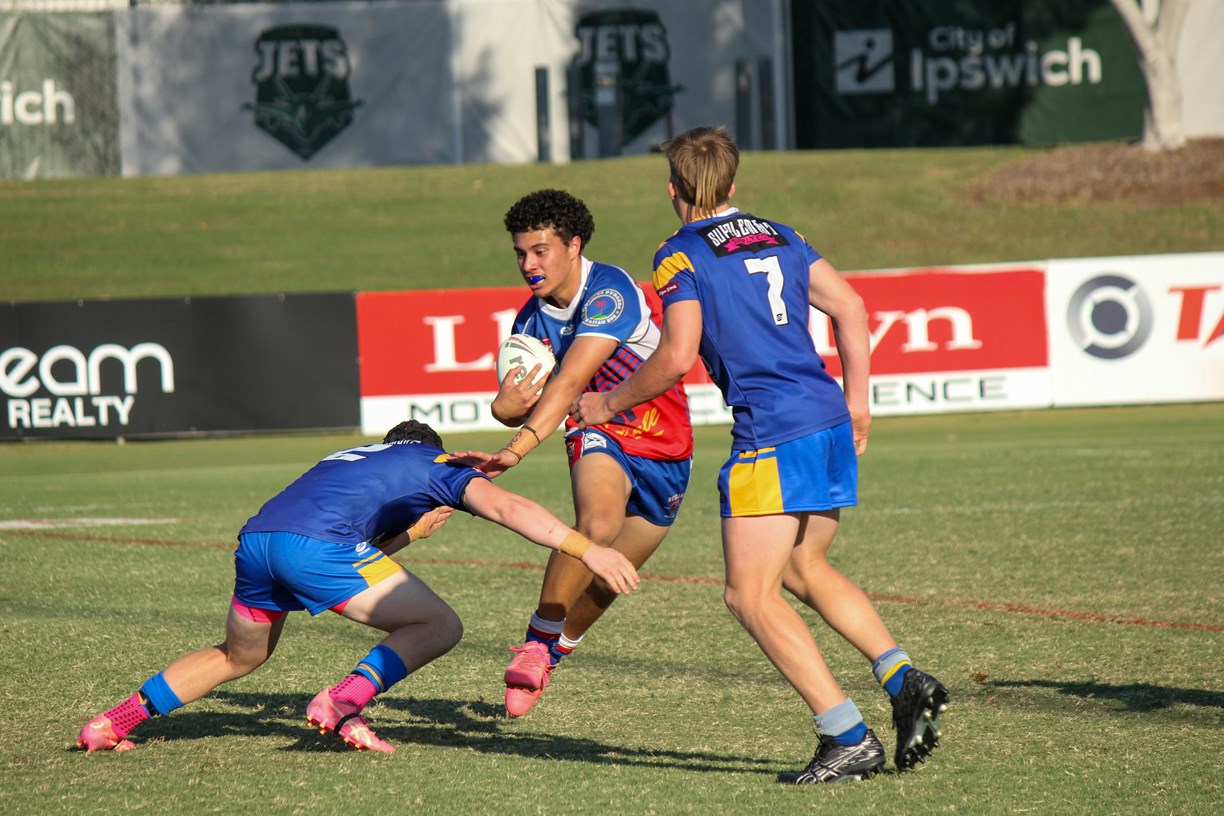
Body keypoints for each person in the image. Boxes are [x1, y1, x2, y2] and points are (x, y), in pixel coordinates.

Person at [572, 126, 948, 783]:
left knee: (748, 596)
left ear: (673, 189)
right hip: (826, 418)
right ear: (734, 183)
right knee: (804, 567)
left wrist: (607, 404)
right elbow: (851, 306)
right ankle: (903, 680)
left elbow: (677, 356)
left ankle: (846, 736)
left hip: (772, 432)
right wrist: (859, 402)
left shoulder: (678, 254)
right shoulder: (782, 234)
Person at [75, 420, 640, 754]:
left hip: (259, 542)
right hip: (315, 548)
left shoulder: (349, 458)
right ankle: (343, 700)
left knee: (238, 656)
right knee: (440, 624)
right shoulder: (436, 463)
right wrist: (588, 549)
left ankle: (112, 723)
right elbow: (509, 507)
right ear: (431, 446)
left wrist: (411, 533)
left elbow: (338, 550)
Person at [463, 189, 693, 718]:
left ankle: (553, 651)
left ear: (573, 245)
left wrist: (515, 444)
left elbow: (568, 380)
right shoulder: (528, 323)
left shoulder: (610, 291)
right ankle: (536, 642)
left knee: (609, 581)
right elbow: (543, 400)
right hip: (597, 430)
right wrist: (505, 410)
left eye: (540, 251)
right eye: (521, 253)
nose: (528, 264)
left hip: (666, 442)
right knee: (597, 524)